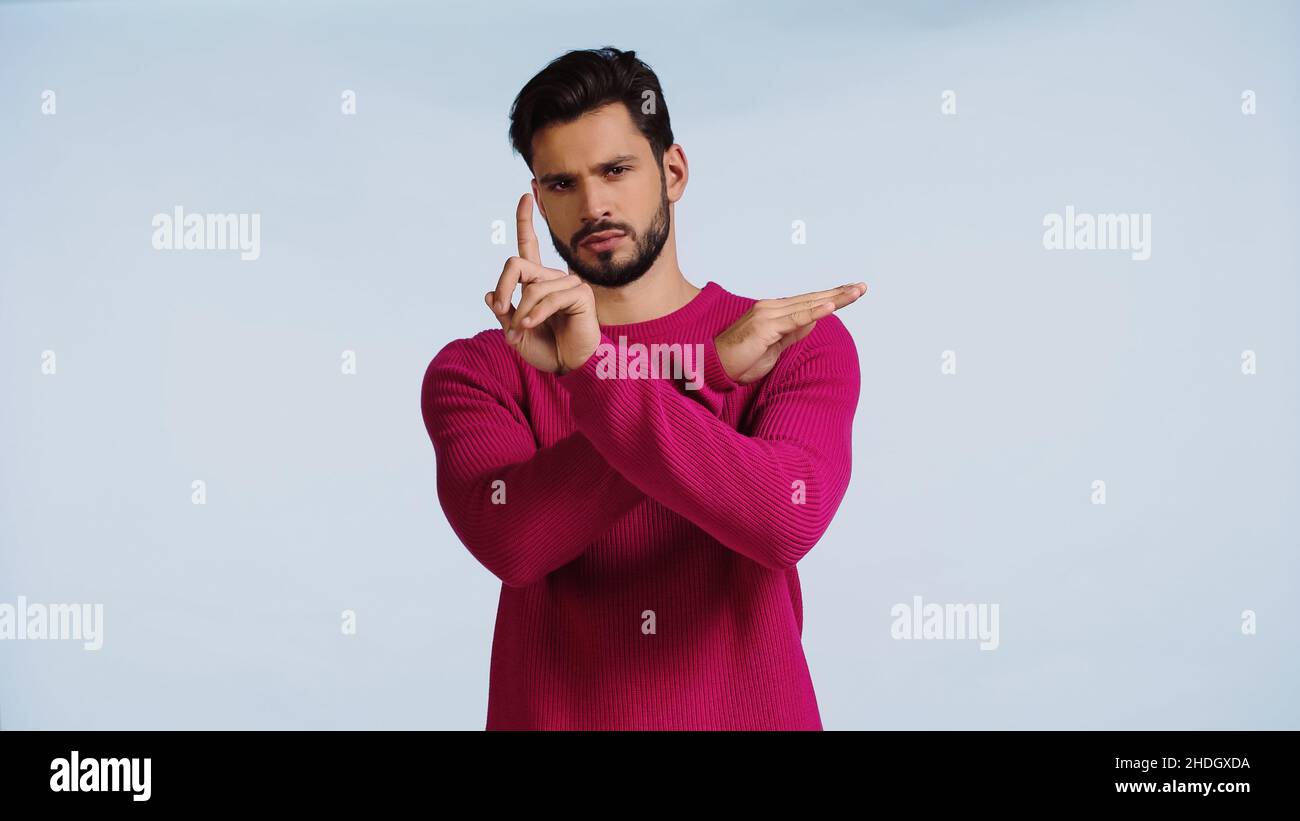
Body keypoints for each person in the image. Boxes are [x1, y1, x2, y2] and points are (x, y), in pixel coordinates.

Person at [421, 46, 866, 730]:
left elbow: (784, 521)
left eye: (616, 170)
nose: (595, 204)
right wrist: (699, 373)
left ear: (673, 171)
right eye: (563, 184)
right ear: (538, 202)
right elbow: (515, 542)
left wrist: (603, 378)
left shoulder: (788, 342)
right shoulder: (479, 369)